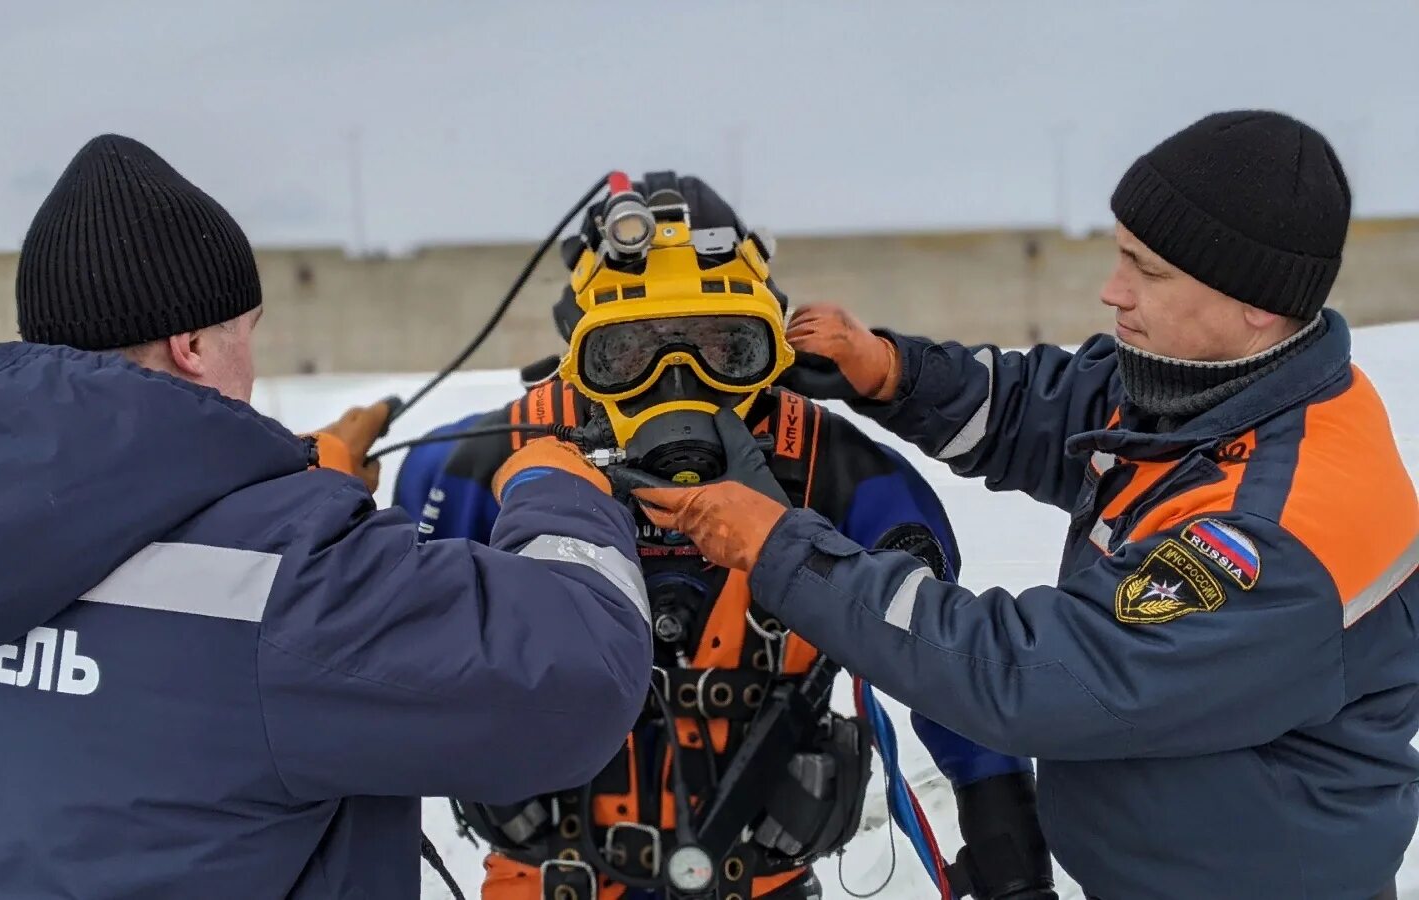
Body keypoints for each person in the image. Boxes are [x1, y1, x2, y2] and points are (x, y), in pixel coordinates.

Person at [0, 134, 656, 899]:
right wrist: (561, 485)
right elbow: (578, 678)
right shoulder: (286, 581)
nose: (251, 360)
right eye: (245, 331)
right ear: (192, 345)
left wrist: (299, 493)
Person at [612, 112, 1419, 900]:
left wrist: (781, 546)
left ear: (1254, 301)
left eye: (1148, 270)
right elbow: (1046, 405)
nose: (1113, 292)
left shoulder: (1275, 534)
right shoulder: (1207, 387)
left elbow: (1029, 678)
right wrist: (890, 371)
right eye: (1119, 257)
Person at [402, 173, 1057, 900]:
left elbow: (945, 666)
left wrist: (1012, 864)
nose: (676, 383)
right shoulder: (472, 469)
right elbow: (373, 662)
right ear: (578, 351)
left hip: (756, 877)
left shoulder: (843, 478)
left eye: (724, 349)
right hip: (552, 876)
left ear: (772, 345)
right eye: (629, 355)